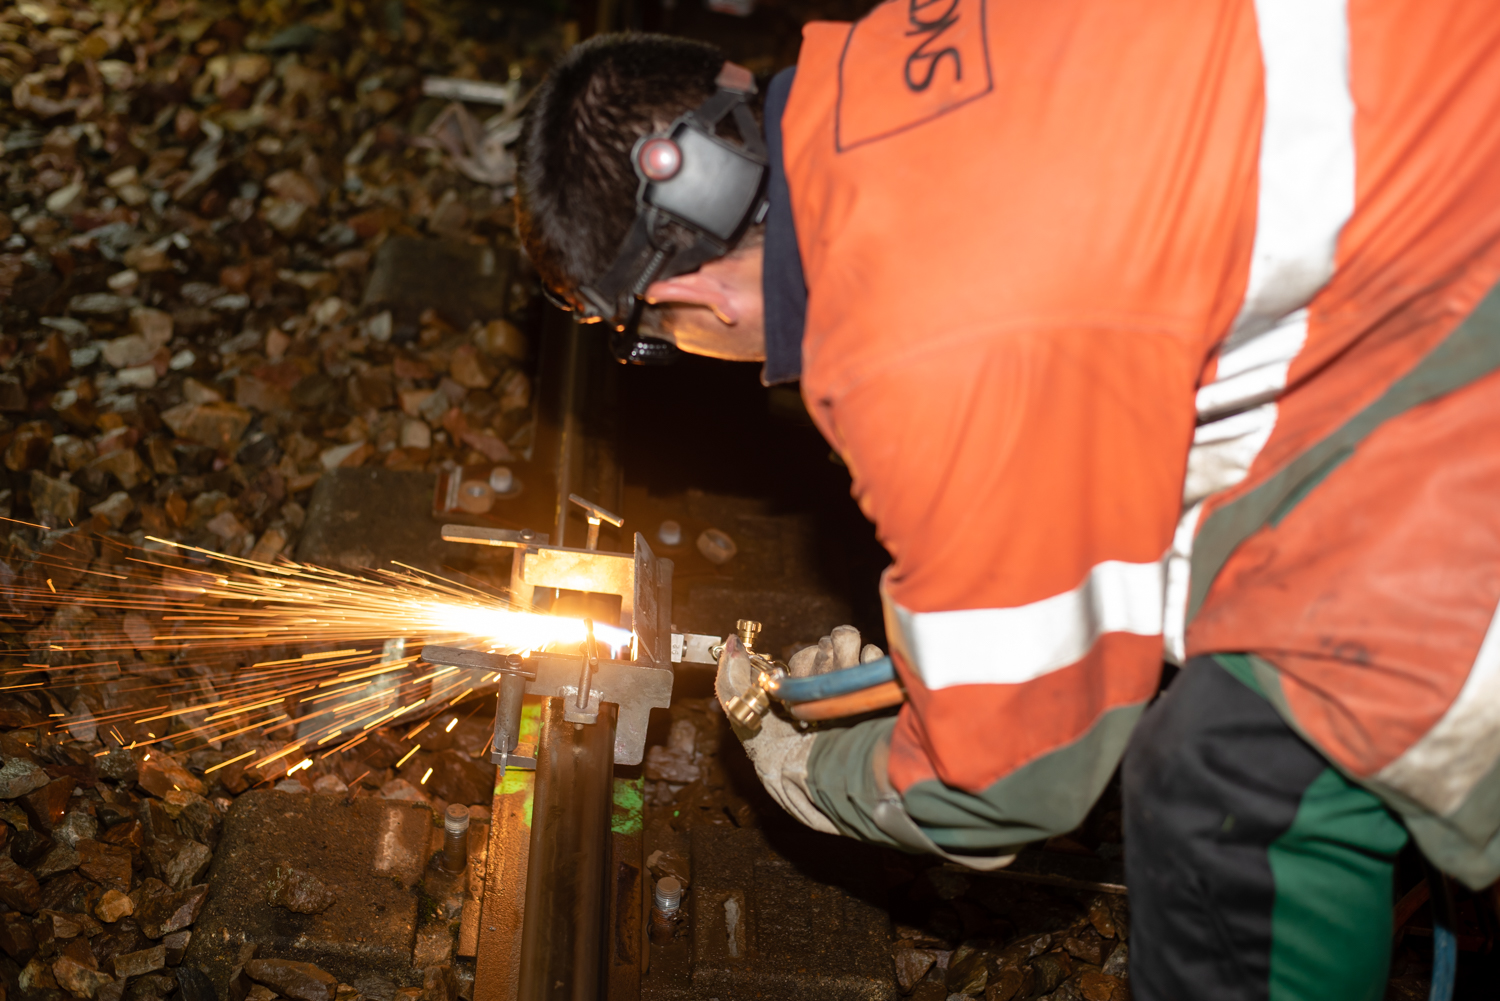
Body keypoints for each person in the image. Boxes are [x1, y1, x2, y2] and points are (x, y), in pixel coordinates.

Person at [516, 4, 1500, 997]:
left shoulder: (912, 350)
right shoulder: (920, 36)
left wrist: (816, 772)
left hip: (1468, 321)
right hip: (1440, 142)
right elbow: (1114, 332)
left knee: (1225, 789)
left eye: (648, 337)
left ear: (692, 299)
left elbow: (1009, 780)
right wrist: (968, 648)